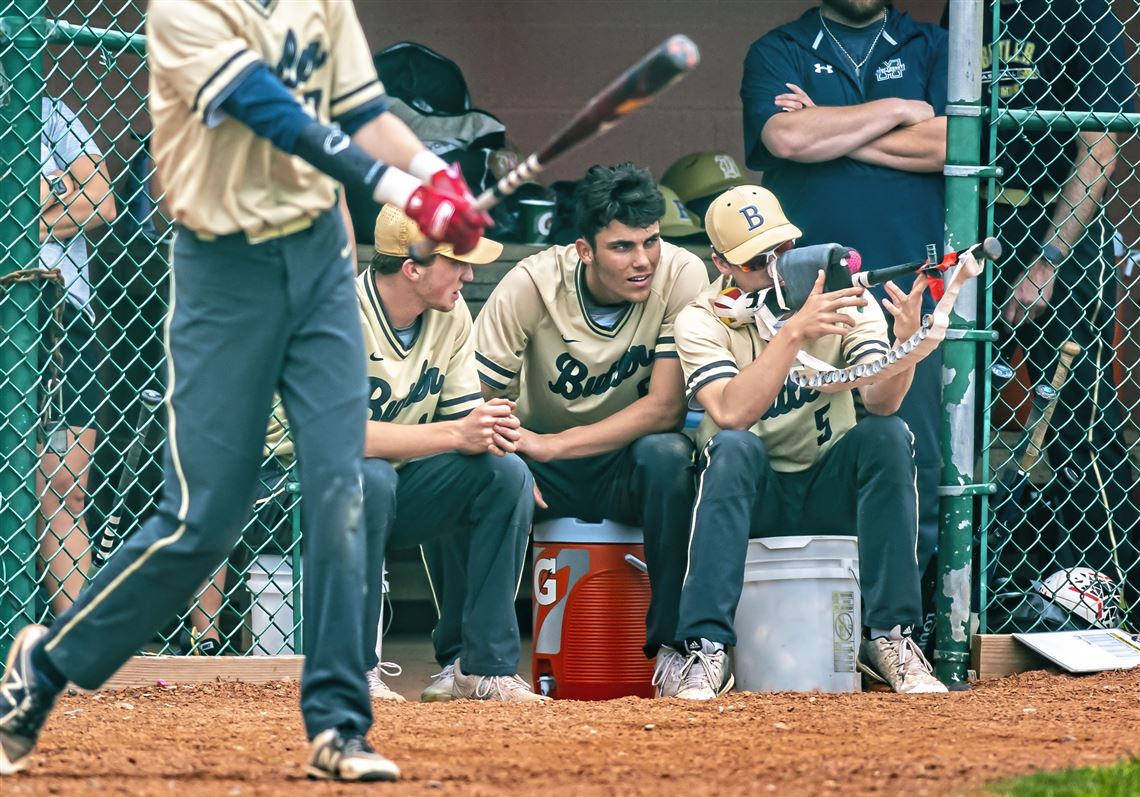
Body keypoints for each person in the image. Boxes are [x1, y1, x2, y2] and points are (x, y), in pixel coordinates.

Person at [1, 0, 490, 781]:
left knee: (344, 486)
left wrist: (435, 174)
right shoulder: (186, 11)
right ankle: (48, 664)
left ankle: (338, 720)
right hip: (224, 271)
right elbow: (271, 110)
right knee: (202, 519)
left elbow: (363, 111)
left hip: (320, 261)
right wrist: (398, 187)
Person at [668, 184, 948, 697]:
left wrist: (905, 346)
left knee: (887, 435)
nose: (776, 270)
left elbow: (881, 400)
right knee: (733, 446)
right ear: (722, 264)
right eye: (757, 261)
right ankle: (706, 648)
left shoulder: (840, 296)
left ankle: (890, 636)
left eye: (782, 252)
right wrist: (792, 333)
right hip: (752, 497)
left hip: (826, 484)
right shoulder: (701, 316)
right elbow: (730, 412)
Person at [265, 204, 545, 704]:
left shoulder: (451, 313)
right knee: (368, 477)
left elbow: (464, 426)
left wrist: (498, 449)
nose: (470, 273)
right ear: (413, 267)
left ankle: (479, 667)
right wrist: (459, 436)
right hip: (291, 490)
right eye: (456, 262)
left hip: (394, 484)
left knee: (504, 474)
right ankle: (353, 669)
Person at [741, 0, 950, 646]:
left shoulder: (933, 46)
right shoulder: (780, 48)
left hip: (906, 288)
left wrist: (833, 130)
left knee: (911, 455)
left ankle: (895, 632)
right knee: (808, 454)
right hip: (808, 298)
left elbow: (950, 142)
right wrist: (897, 111)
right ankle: (799, 635)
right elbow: (785, 140)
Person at [470, 162, 709, 692]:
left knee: (669, 454)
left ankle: (675, 652)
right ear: (585, 250)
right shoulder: (531, 283)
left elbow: (667, 408)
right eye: (622, 247)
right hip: (540, 469)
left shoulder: (682, 272)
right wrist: (517, 453)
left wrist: (552, 446)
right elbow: (475, 402)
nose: (643, 260)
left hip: (622, 461)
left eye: (651, 241)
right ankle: (468, 660)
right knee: (476, 465)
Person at [942, 0, 1138, 616]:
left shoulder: (1082, 13)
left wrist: (1048, 259)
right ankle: (972, 592)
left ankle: (1106, 589)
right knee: (962, 409)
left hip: (1060, 232)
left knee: (1080, 417)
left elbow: (1100, 149)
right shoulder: (971, 13)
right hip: (980, 221)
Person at [35, 95, 117, 616]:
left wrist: (16, 222)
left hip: (57, 304)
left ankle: (73, 644)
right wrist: (57, 189)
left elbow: (102, 202)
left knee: (63, 485)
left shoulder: (49, 112)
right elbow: (77, 196)